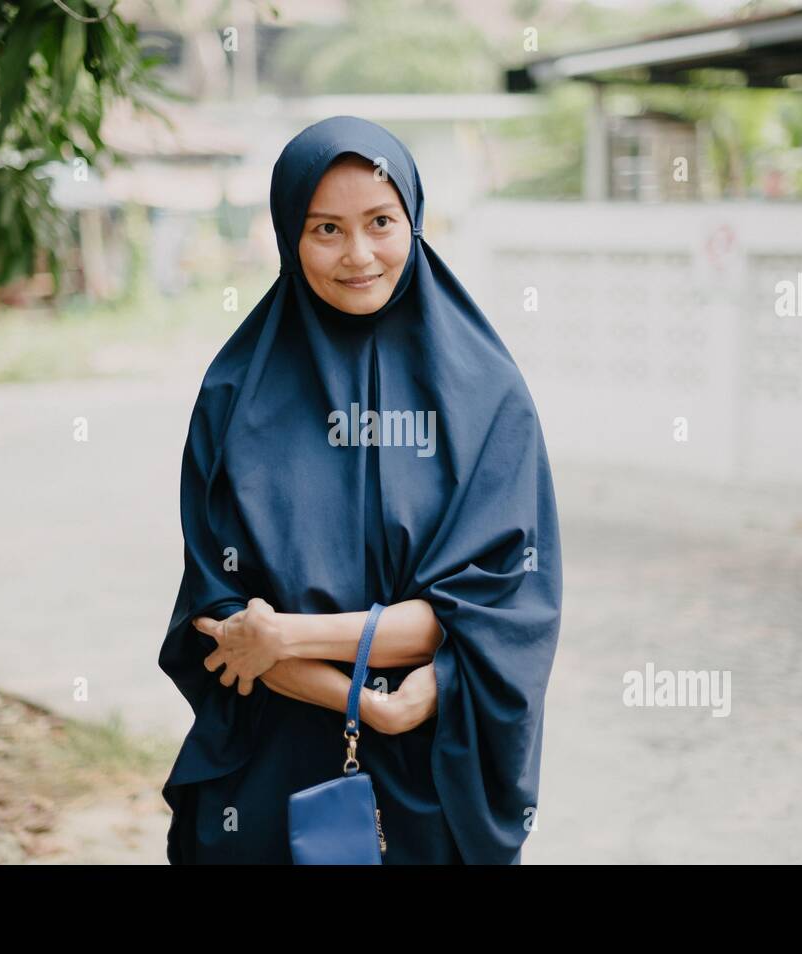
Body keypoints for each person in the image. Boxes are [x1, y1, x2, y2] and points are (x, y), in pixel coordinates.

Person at [158, 115, 563, 865]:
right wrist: (363, 702)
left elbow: (497, 606)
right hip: (272, 765)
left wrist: (288, 638)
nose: (358, 255)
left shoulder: (486, 395)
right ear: (288, 236)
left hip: (431, 765)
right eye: (325, 229)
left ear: (413, 219)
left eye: (381, 222)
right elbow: (221, 625)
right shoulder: (235, 394)